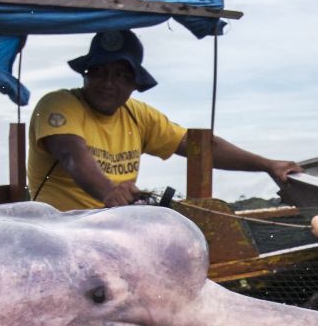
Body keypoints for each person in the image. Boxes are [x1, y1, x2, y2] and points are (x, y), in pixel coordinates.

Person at [27, 29, 302, 211]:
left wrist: (267, 165)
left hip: (115, 226)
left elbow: (201, 148)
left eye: (121, 75)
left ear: (135, 83)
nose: (108, 83)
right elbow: (71, 154)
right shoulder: (60, 104)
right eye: (100, 72)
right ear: (86, 74)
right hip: (60, 230)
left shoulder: (139, 115)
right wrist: (109, 192)